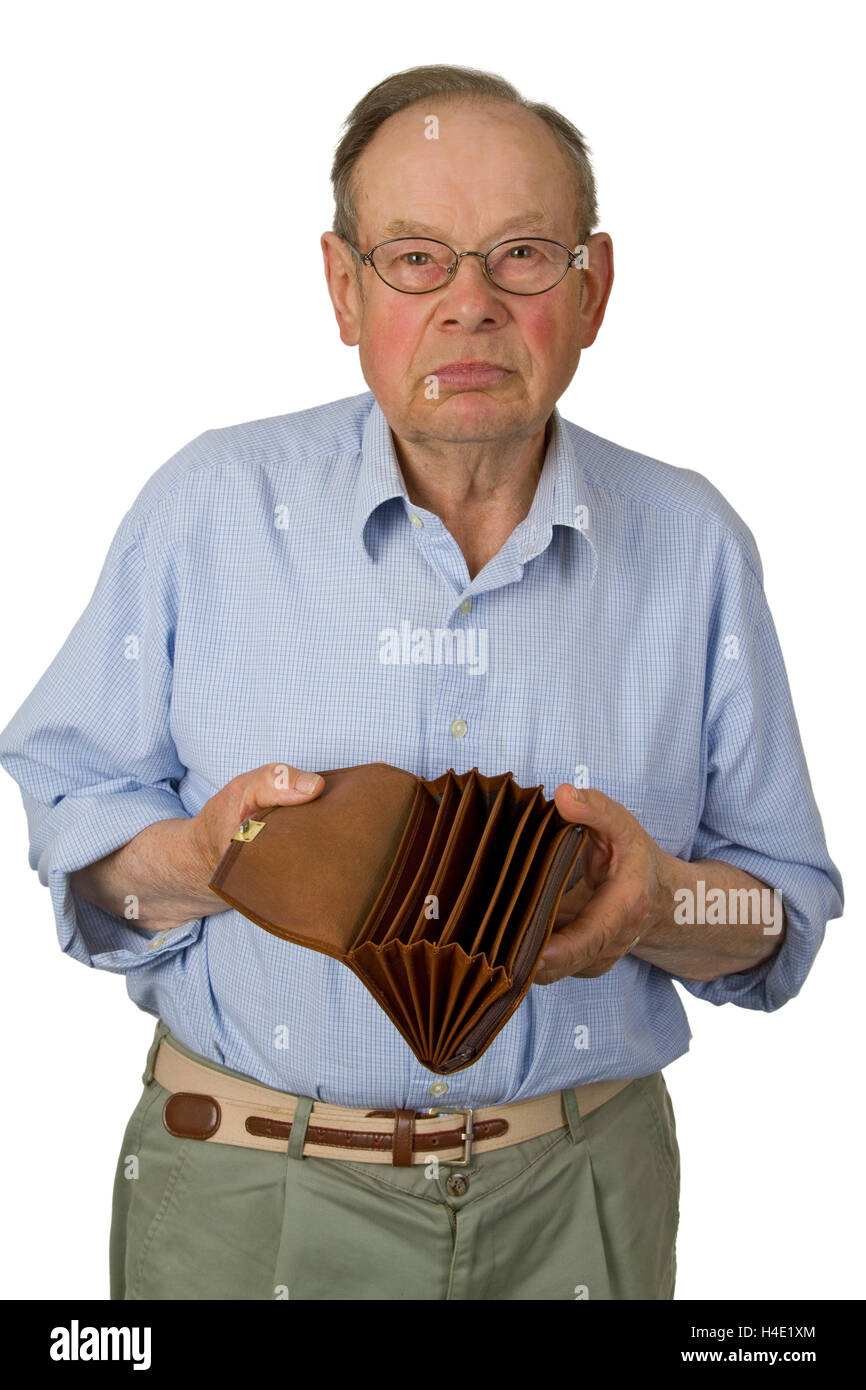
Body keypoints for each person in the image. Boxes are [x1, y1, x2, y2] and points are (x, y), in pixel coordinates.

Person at [0, 63, 843, 1302]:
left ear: (591, 286)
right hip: (246, 1202)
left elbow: (776, 919)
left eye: (519, 254)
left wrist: (659, 901)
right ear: (342, 288)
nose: (469, 306)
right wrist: (194, 859)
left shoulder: (693, 542)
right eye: (412, 258)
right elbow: (73, 817)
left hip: (581, 1207)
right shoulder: (207, 509)